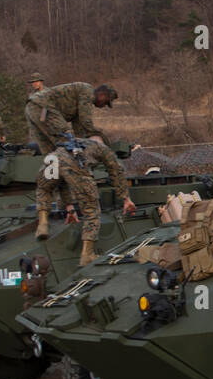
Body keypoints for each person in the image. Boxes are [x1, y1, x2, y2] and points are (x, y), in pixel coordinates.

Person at [35, 137, 137, 266]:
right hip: (75, 166)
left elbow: (62, 181)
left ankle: (43, 225)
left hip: (52, 160)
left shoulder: (72, 143)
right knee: (91, 211)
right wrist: (126, 198)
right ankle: (87, 255)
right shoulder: (102, 148)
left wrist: (70, 208)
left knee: (44, 188)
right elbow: (116, 170)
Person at [24, 82, 116, 153]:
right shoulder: (87, 92)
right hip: (43, 106)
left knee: (48, 150)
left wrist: (83, 142)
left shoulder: (78, 103)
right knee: (66, 142)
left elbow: (79, 131)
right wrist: (104, 141)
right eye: (106, 102)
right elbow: (86, 122)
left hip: (32, 107)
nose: (104, 106)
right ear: (102, 95)